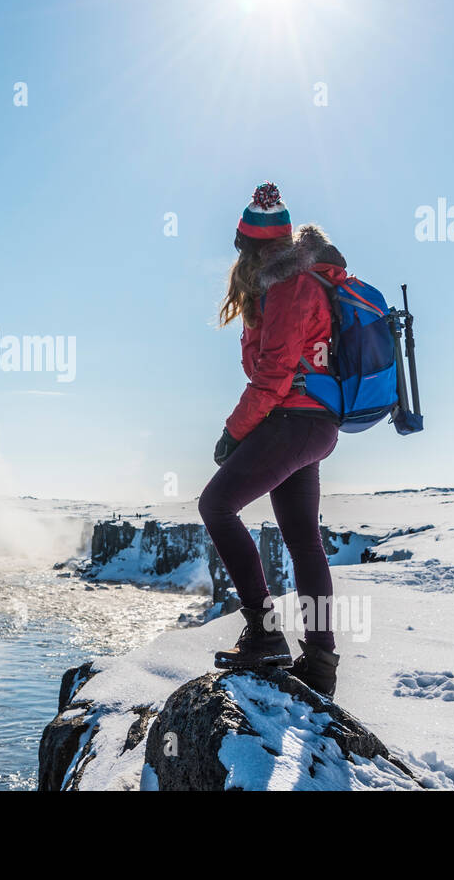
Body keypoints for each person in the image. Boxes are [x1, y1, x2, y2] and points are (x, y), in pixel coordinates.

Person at [199, 182, 346, 698]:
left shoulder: (289, 288)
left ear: (251, 248)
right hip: (314, 425)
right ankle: (321, 666)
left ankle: (263, 634)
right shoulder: (302, 282)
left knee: (216, 505)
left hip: (293, 421)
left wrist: (233, 433)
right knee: (304, 540)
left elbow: (274, 373)